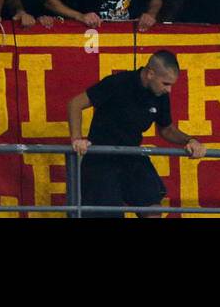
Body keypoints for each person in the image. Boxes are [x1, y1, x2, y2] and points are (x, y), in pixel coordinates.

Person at [67, 51, 206, 218]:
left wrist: (190, 140)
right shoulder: (117, 83)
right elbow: (75, 104)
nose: (169, 90)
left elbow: (166, 129)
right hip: (101, 159)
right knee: (108, 214)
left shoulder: (159, 94)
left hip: (131, 156)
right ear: (150, 73)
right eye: (166, 83)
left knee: (153, 209)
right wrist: (77, 138)